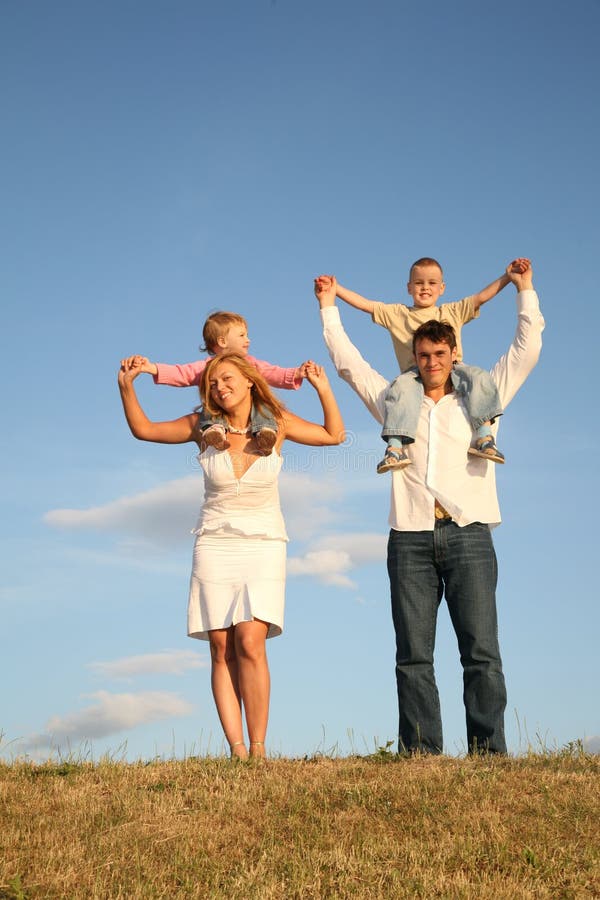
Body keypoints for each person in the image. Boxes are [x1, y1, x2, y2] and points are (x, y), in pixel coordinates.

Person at [314, 264, 544, 754]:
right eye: (423, 355)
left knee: (481, 651)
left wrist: (524, 291)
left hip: (469, 535)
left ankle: (488, 753)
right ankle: (420, 753)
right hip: (410, 538)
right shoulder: (397, 401)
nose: (432, 362)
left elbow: (526, 352)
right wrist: (328, 308)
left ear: (454, 352)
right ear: (413, 358)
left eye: (440, 353)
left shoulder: (482, 401)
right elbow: (350, 365)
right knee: (413, 655)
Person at [118, 352, 345, 759]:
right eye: (213, 384)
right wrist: (127, 387)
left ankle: (259, 747)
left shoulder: (279, 424)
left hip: (263, 542)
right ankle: (237, 748)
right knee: (220, 646)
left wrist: (323, 388)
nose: (220, 388)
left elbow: (334, 435)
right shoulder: (201, 427)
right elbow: (144, 430)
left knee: (251, 641)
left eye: (226, 379)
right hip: (214, 543)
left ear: (250, 381)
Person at [326, 258, 531, 473]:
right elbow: (366, 304)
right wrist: (337, 289)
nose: (425, 288)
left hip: (454, 368)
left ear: (442, 288)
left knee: (478, 377)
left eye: (432, 283)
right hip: (414, 375)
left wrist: (508, 278)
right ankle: (395, 447)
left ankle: (484, 436)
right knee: (399, 390)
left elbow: (481, 297)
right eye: (419, 283)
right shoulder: (397, 314)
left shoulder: (451, 311)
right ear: (409, 287)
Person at [127, 310, 309, 454]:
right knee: (210, 407)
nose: (248, 340)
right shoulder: (206, 367)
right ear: (222, 341)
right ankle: (215, 431)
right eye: (242, 335)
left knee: (263, 404)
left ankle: (265, 432)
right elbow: (182, 373)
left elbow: (273, 373)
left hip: (249, 411)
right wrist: (152, 368)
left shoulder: (251, 364)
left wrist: (296, 374)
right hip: (219, 409)